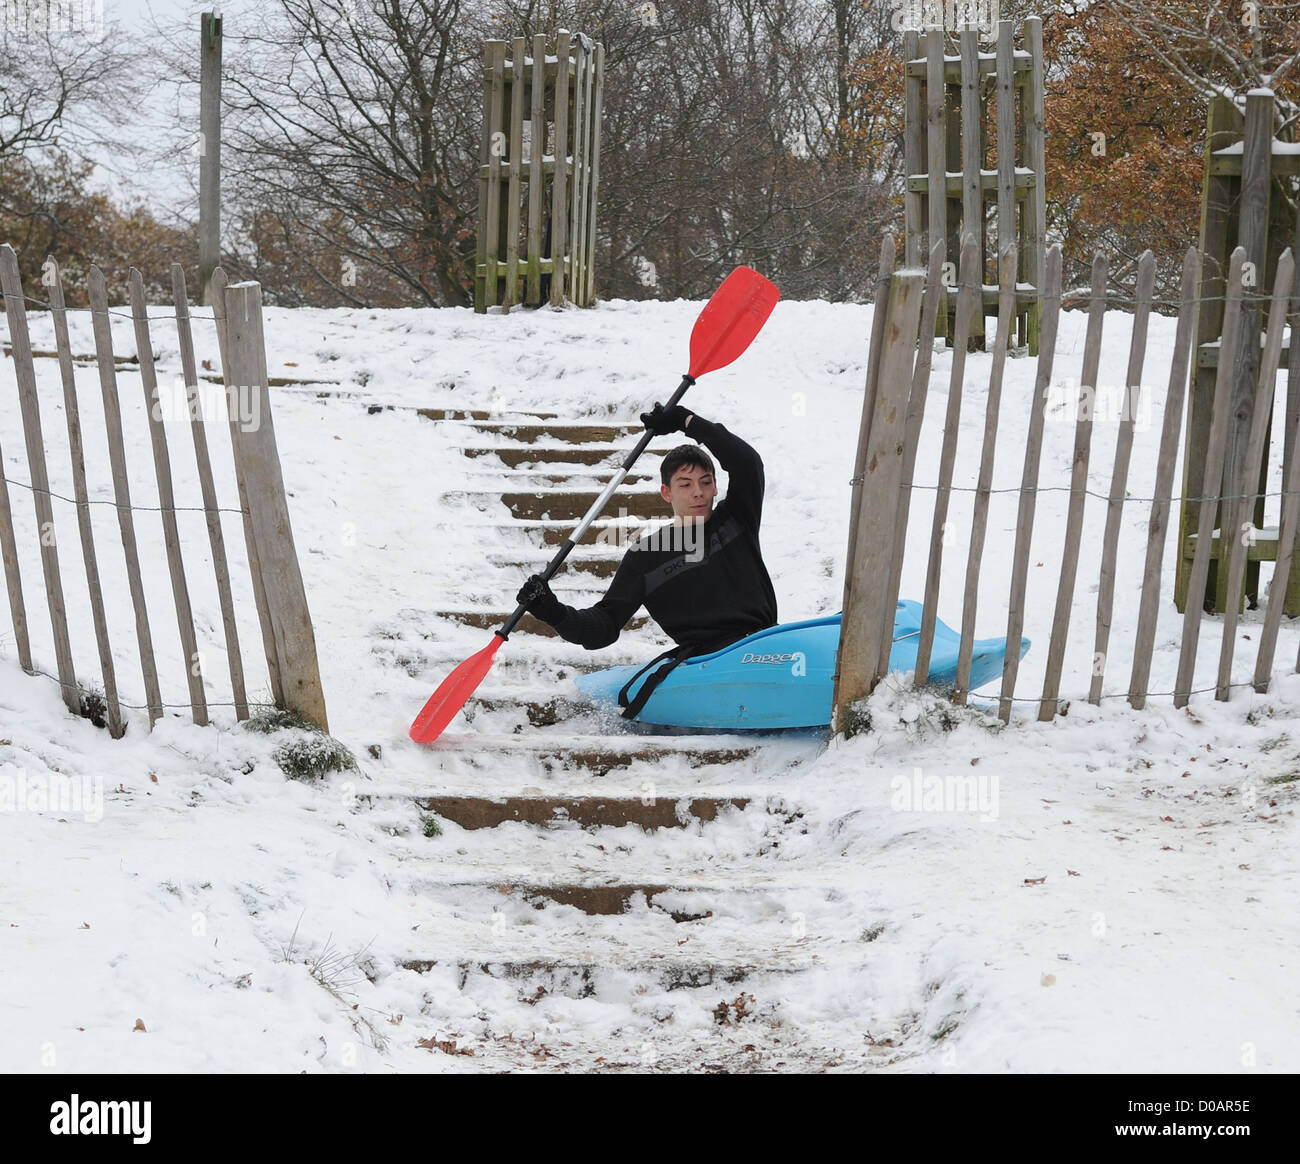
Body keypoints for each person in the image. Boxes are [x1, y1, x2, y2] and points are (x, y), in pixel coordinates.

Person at [516, 402, 779, 670]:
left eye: (706, 482)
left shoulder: (737, 519)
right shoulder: (647, 556)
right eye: (685, 485)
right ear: (667, 493)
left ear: (714, 488)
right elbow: (604, 626)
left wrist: (686, 421)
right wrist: (552, 611)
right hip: (705, 666)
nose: (698, 492)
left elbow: (748, 463)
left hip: (767, 647)